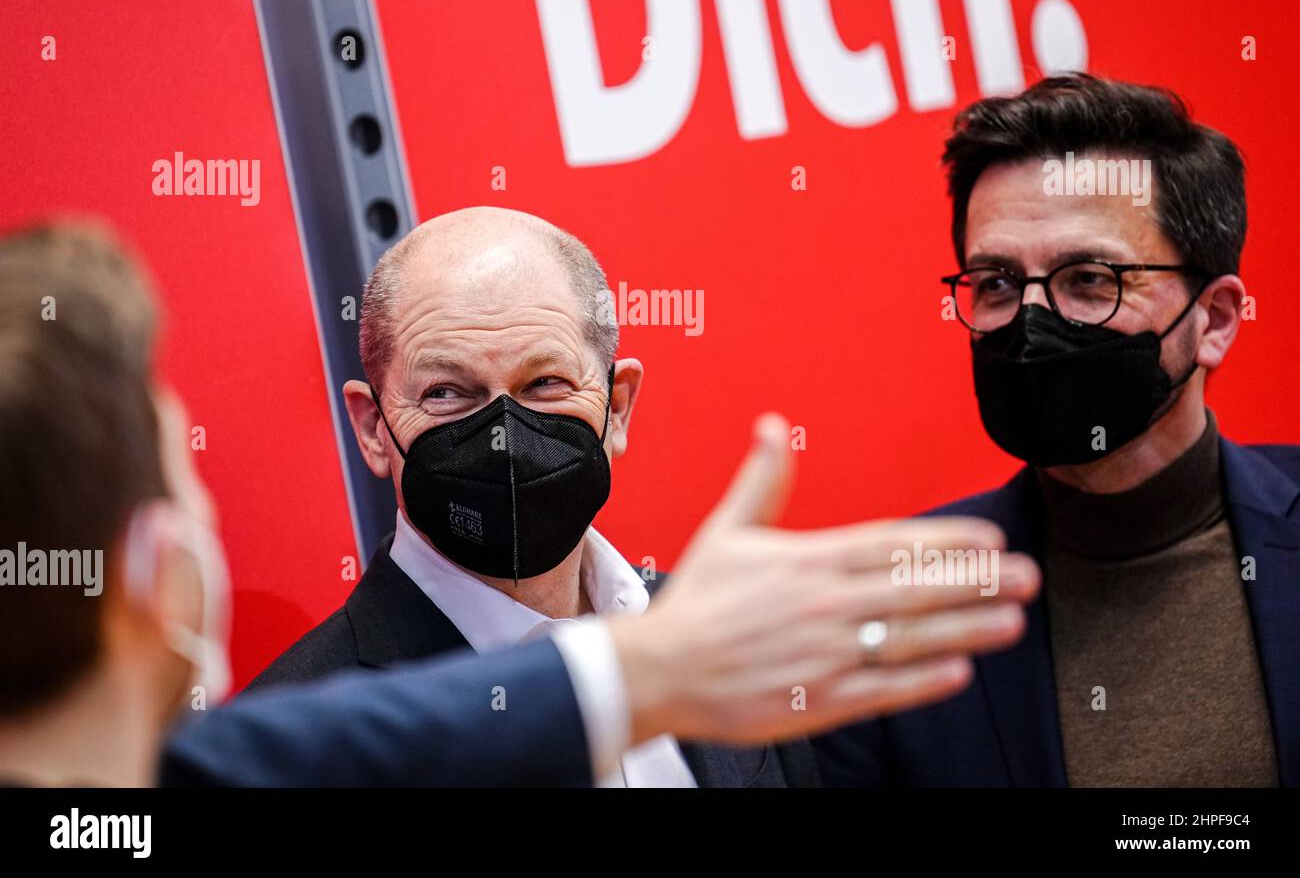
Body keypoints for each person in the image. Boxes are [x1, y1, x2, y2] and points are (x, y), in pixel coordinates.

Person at [0, 221, 1038, 787]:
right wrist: (650, 669)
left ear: (616, 401)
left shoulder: (741, 649)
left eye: (544, 387)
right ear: (372, 425)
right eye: (446, 394)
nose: (502, 435)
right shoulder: (291, 725)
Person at [816, 73, 1300, 788]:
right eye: (998, 284)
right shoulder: (896, 609)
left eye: (1089, 278)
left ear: (1216, 319)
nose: (1033, 323)